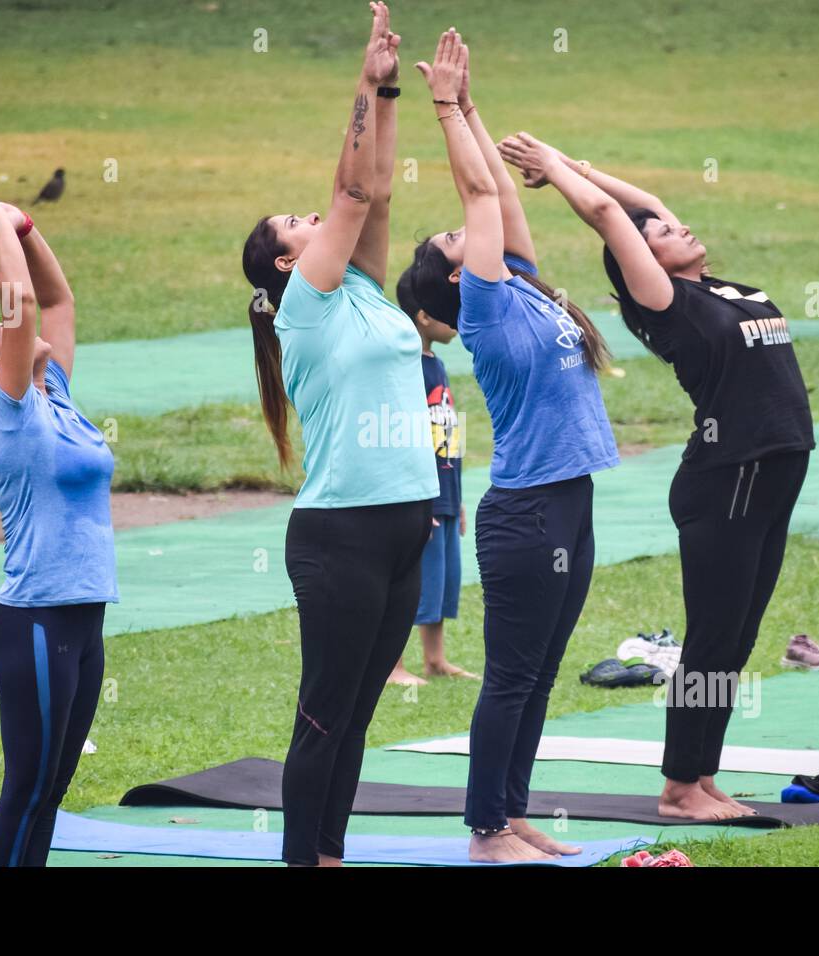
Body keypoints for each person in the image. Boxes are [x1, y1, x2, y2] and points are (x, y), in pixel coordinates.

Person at [499, 126, 815, 821]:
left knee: (738, 640)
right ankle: (678, 788)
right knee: (711, 639)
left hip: (772, 477)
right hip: (725, 480)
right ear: (645, 260)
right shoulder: (667, 303)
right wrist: (553, 170)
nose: (678, 224)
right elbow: (616, 219)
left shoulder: (722, 287)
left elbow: (636, 200)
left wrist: (581, 163)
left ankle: (703, 778)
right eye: (664, 232)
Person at [410, 31, 619, 862]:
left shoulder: (523, 287)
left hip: (570, 503)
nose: (468, 229)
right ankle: (485, 833)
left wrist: (469, 105)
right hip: (527, 517)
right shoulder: (491, 312)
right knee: (510, 676)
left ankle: (513, 811)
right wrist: (441, 109)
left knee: (538, 671)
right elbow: (477, 194)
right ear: (460, 279)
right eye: (454, 238)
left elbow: (496, 191)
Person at [240, 3, 438, 867]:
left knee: (357, 714)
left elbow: (375, 190)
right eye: (299, 223)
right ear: (287, 263)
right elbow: (352, 192)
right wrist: (364, 84)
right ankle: (301, 860)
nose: (317, 220)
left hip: (405, 525)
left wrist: (391, 90)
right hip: (340, 536)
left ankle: (331, 853)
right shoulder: (307, 306)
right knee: (324, 714)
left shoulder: (362, 286)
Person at [0, 200, 117, 866]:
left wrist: (24, 226)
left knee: (52, 790)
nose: (25, 330)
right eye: (6, 335)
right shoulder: (12, 417)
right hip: (35, 623)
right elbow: (19, 299)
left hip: (83, 620)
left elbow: (56, 298)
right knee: (27, 788)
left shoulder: (56, 393)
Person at [386, 269, 476, 686]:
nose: (457, 319)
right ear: (423, 316)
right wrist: (419, 499)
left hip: (445, 490)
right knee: (414, 584)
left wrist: (454, 496)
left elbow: (445, 433)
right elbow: (404, 434)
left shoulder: (435, 363)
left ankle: (435, 659)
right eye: (449, 311)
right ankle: (392, 665)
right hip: (423, 494)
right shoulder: (406, 368)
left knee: (442, 581)